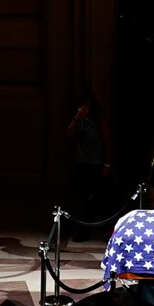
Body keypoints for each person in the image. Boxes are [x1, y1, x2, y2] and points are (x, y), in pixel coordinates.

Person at [66, 89, 113, 241]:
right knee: (85, 197)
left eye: (86, 104)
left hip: (96, 164)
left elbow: (107, 143)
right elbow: (69, 134)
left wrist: (107, 164)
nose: (84, 107)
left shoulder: (98, 120)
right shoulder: (79, 120)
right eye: (81, 104)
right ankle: (95, 225)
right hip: (82, 163)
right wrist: (77, 118)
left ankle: (91, 228)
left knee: (94, 198)